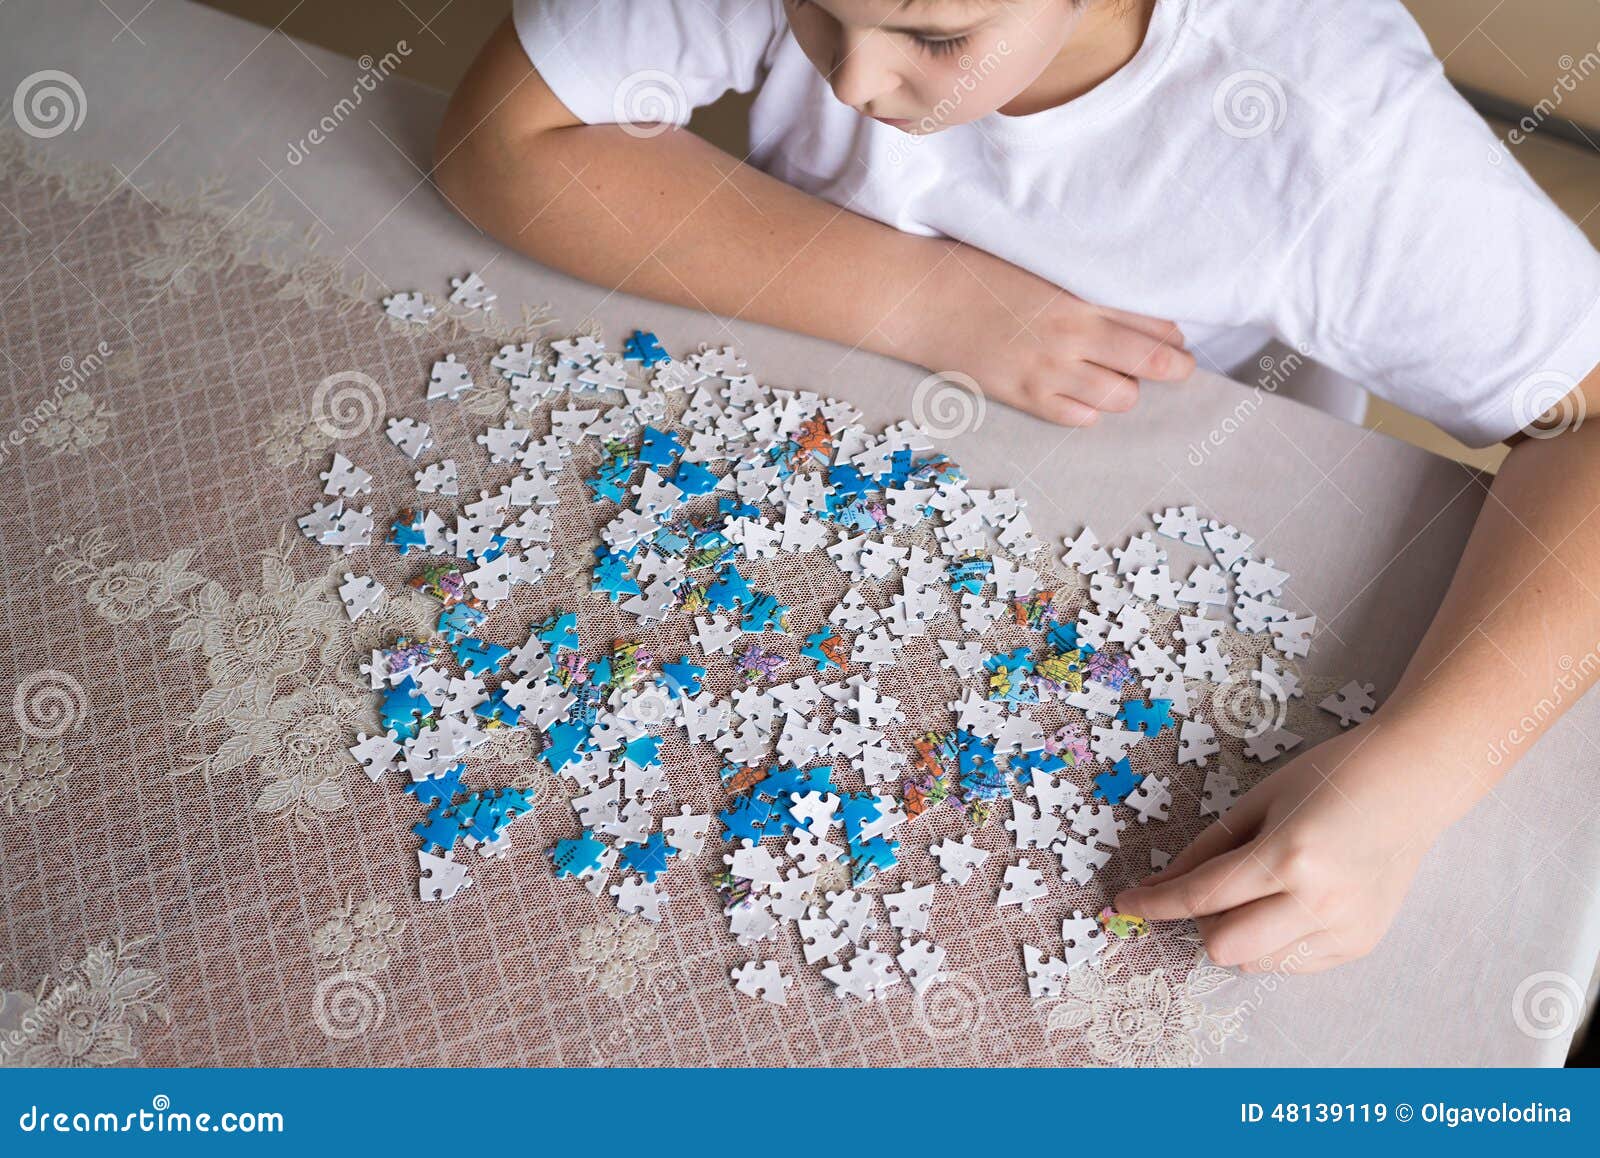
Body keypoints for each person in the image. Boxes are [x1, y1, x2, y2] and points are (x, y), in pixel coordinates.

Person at [435, 0, 1600, 975]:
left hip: (1160, 535)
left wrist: (1408, 780)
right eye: (810, 8)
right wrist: (921, 301)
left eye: (932, 34)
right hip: (828, 424)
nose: (848, 79)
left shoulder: (1340, 137)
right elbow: (500, 134)